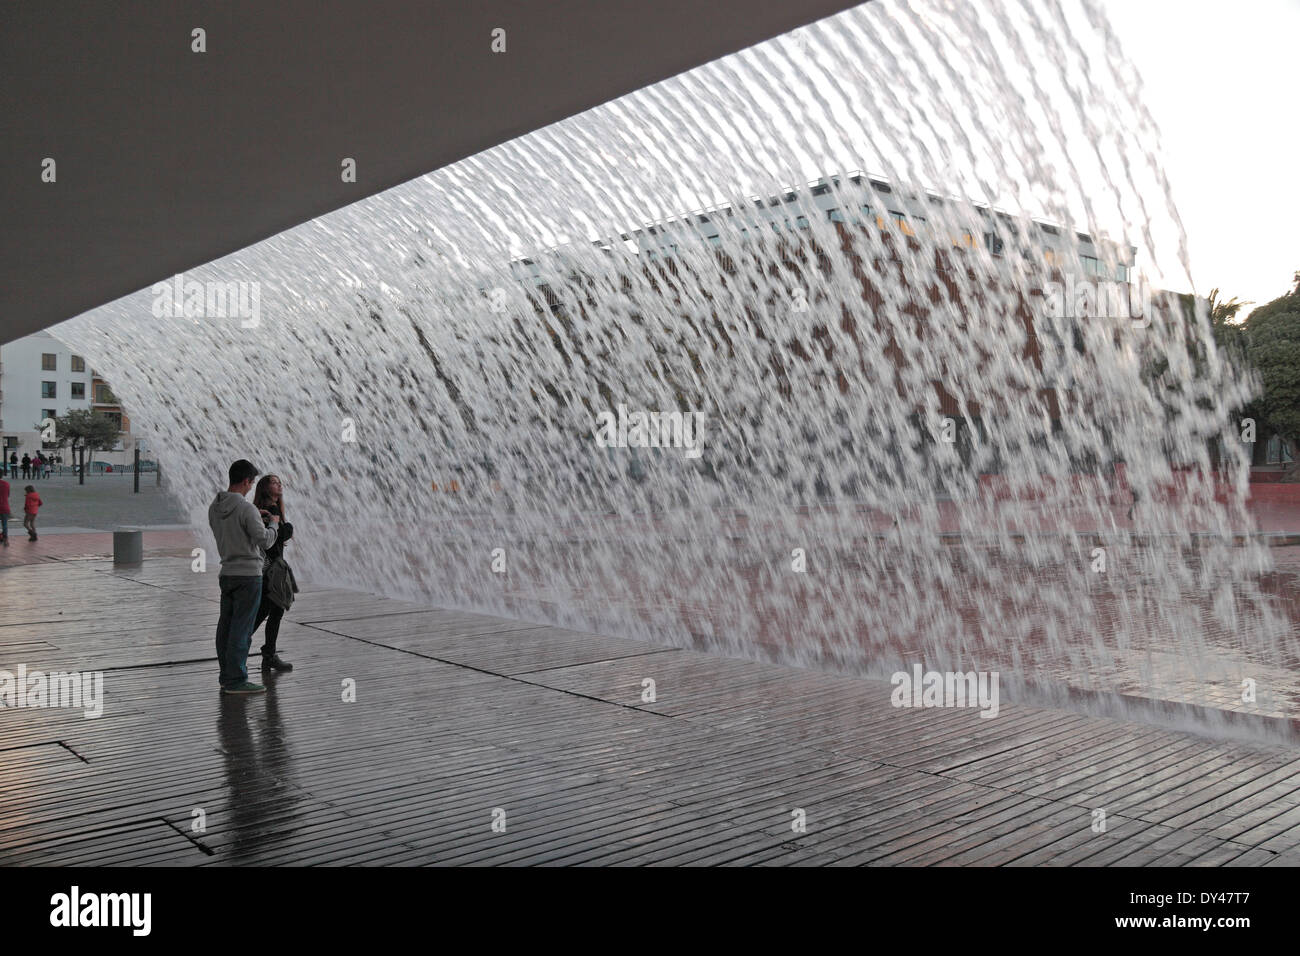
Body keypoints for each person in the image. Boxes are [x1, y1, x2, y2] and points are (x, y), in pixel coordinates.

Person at [209, 459, 279, 695]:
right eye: (251, 484)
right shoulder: (246, 509)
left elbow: (233, 528)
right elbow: (265, 541)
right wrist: (274, 525)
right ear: (247, 481)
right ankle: (237, 680)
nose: (251, 488)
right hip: (248, 575)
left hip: (227, 572)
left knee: (226, 627)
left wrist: (252, 516)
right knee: (242, 628)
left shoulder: (215, 507)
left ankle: (226, 676)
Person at [251, 474, 296, 671]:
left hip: (268, 568)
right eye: (274, 482)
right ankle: (242, 645)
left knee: (271, 610)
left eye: (280, 482)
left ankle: (267, 653)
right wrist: (287, 528)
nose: (279, 485)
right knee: (266, 611)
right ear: (265, 487)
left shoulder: (266, 509)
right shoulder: (270, 510)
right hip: (271, 569)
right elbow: (274, 539)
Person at [0, 474, 10, 547]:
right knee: (5, 525)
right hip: (5, 507)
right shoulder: (6, 484)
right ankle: (5, 539)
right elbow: (8, 495)